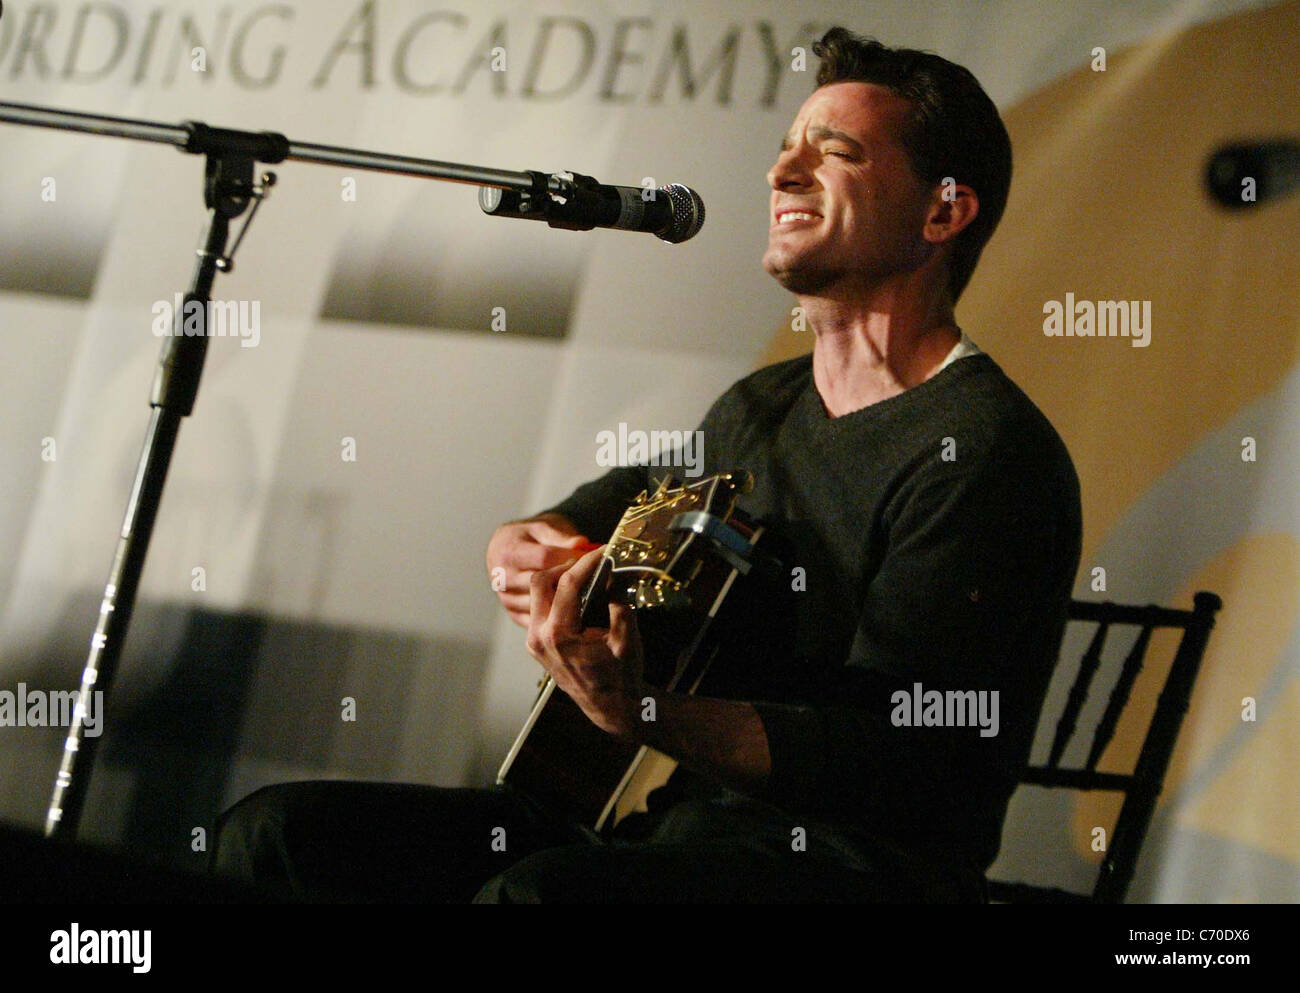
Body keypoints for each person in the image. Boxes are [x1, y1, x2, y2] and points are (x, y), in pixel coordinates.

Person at [212, 27, 1082, 903]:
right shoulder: (758, 409)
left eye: (835, 154)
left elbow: (890, 758)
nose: (782, 176)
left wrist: (646, 711)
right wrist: (531, 555)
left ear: (942, 212)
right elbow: (587, 518)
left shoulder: (982, 452)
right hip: (668, 827)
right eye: (785, 153)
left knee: (543, 897)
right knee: (278, 836)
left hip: (853, 868)